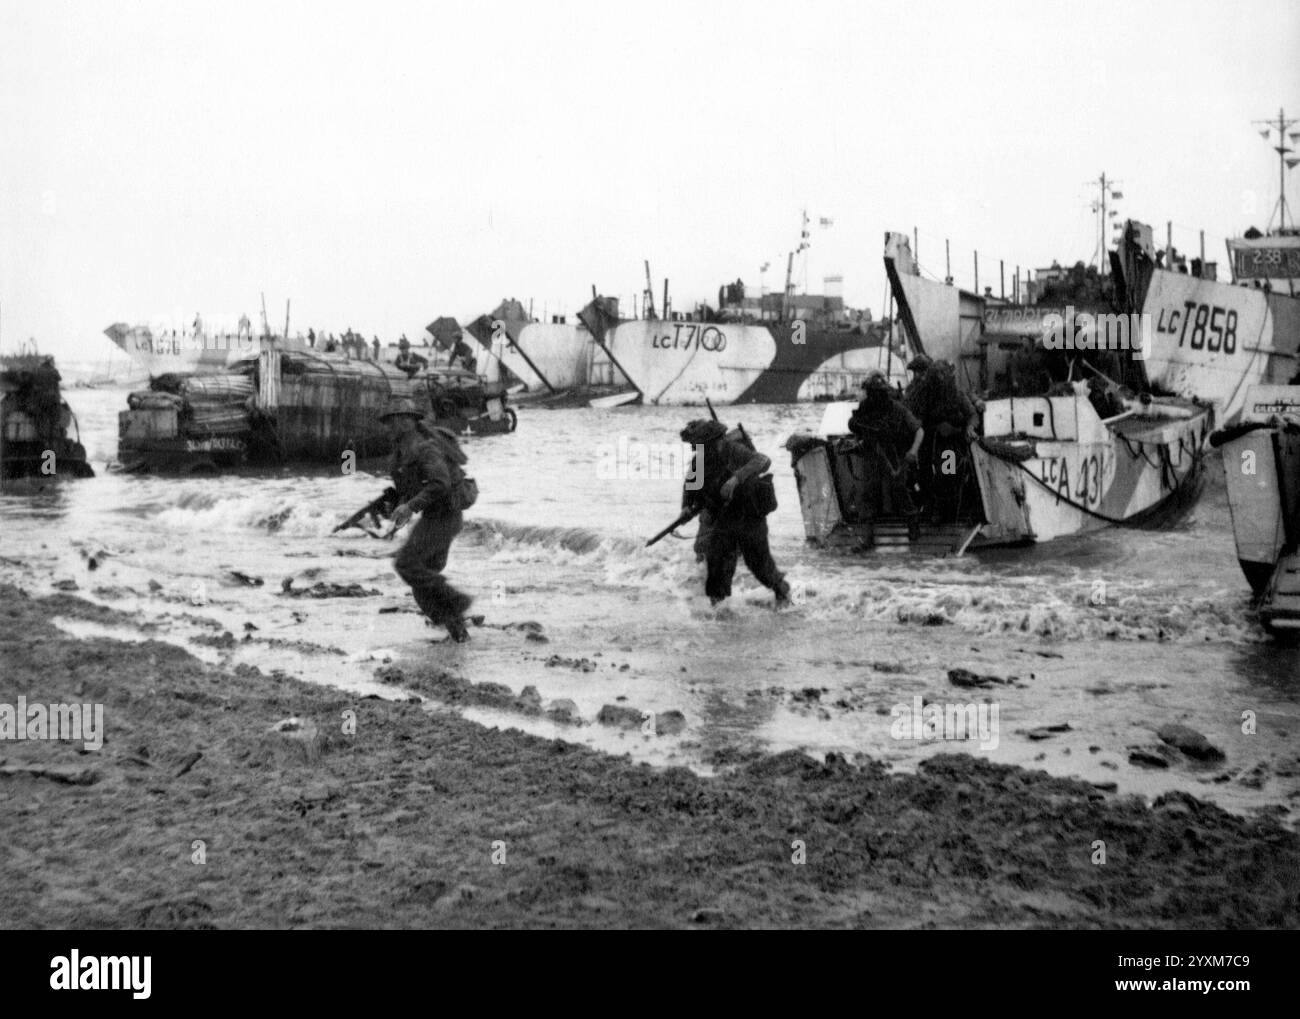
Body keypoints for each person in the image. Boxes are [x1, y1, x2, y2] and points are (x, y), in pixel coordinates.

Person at [382, 396, 474, 643]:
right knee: (421, 581)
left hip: (445, 517)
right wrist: (396, 502)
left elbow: (440, 484)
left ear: (405, 423)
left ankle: (458, 601)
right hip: (436, 517)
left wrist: (410, 507)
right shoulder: (401, 453)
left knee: (406, 565)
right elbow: (412, 487)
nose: (387, 428)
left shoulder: (425, 448)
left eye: (391, 422)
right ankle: (459, 634)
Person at [679, 418, 790, 607]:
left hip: (749, 515)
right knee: (717, 566)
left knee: (760, 566)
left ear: (714, 442)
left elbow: (763, 460)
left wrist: (736, 479)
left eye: (699, 445)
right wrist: (685, 507)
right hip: (724, 518)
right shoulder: (700, 460)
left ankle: (786, 594)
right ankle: (719, 613)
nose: (695, 449)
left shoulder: (734, 450)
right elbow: (690, 487)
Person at [849, 372, 924, 538]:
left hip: (897, 454)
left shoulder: (897, 409)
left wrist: (913, 451)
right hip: (874, 454)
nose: (874, 396)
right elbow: (854, 425)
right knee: (868, 489)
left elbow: (919, 430)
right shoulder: (865, 408)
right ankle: (867, 533)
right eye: (871, 392)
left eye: (876, 392)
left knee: (899, 487)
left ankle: (912, 520)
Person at [904, 359, 978, 522]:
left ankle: (943, 509)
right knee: (924, 475)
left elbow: (972, 415)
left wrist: (968, 428)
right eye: (936, 375)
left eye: (943, 374)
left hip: (948, 441)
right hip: (927, 440)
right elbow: (915, 417)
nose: (940, 379)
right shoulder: (923, 394)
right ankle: (930, 506)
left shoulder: (957, 394)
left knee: (947, 473)